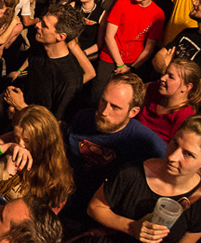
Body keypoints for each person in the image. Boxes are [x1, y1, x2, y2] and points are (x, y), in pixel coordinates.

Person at [67, 113, 201, 243]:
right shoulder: (133, 173)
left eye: (188, 154)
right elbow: (94, 207)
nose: (172, 156)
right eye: (174, 143)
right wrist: (131, 227)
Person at [65, 73, 167, 214]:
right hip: (67, 196)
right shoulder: (83, 118)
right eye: (103, 101)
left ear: (133, 112)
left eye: (115, 107)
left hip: (100, 210)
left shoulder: (145, 141)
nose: (104, 112)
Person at [5, 3, 89, 121]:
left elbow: (55, 126)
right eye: (41, 21)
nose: (37, 25)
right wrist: (15, 106)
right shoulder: (39, 49)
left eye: (45, 25)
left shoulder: (70, 79)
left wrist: (21, 106)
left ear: (61, 36)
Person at [0, 105, 75, 213]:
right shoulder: (15, 139)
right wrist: (6, 147)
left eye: (27, 140)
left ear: (42, 140)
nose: (21, 144)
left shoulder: (54, 173)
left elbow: (42, 218)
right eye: (17, 137)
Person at [93, 0, 165, 105]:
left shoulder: (158, 13)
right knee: (98, 97)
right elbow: (109, 36)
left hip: (133, 63)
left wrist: (132, 67)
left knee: (123, 101)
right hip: (109, 58)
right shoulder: (122, 3)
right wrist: (120, 64)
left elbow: (149, 47)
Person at [135, 58, 201, 143]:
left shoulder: (184, 118)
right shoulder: (154, 89)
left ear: (186, 87)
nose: (162, 78)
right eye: (165, 73)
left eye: (170, 77)